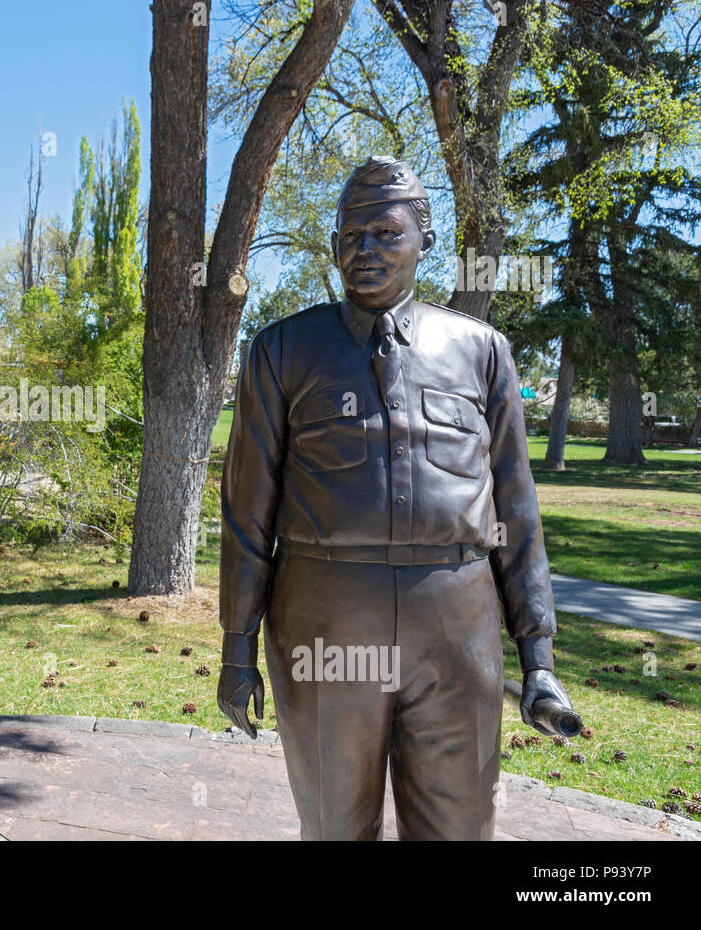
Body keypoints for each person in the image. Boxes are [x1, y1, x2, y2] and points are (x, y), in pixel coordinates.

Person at [217, 155, 574, 840]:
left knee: (459, 824)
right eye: (352, 236)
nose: (367, 251)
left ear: (425, 241)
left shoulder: (483, 351)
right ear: (332, 247)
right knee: (334, 824)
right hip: (324, 616)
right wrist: (237, 647)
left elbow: (518, 513)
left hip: (457, 627)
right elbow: (246, 514)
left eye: (386, 233)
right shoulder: (283, 350)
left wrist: (539, 658)